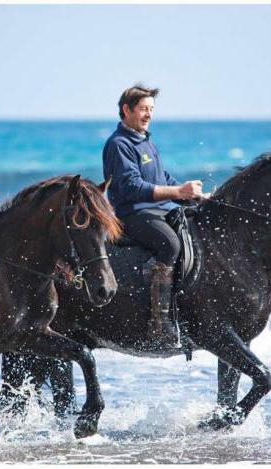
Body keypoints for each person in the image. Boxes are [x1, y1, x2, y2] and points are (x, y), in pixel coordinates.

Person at [102, 84, 203, 342]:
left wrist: (192, 194)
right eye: (143, 109)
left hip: (158, 209)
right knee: (170, 245)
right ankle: (161, 323)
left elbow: (162, 177)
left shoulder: (146, 141)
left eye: (151, 109)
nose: (149, 115)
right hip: (132, 213)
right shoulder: (119, 144)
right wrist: (177, 192)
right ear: (126, 110)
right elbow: (132, 187)